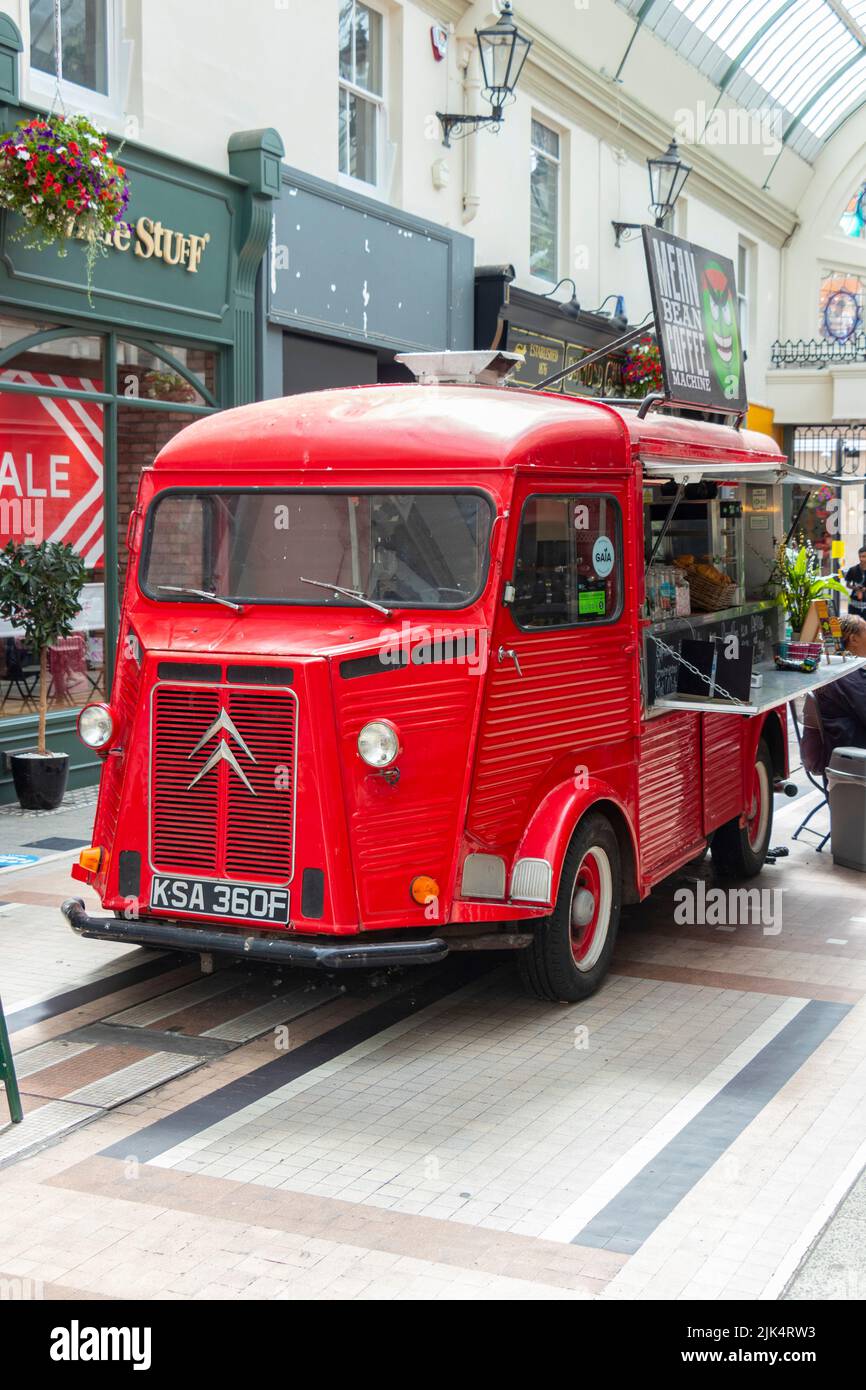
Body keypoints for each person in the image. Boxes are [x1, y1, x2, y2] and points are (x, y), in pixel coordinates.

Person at [814, 613, 866, 766]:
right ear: (853, 639)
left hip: (840, 751)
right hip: (853, 754)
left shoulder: (834, 669)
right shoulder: (848, 674)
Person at [845, 544, 866, 619]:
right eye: (860, 556)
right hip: (854, 604)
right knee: (853, 626)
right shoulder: (853, 569)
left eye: (864, 556)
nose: (861, 559)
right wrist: (855, 588)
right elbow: (847, 584)